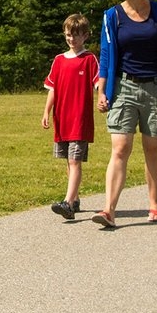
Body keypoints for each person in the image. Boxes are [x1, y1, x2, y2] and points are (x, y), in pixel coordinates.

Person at [91, 0, 157, 230]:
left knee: (152, 148)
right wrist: (102, 90)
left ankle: (153, 205)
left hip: (155, 87)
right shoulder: (112, 16)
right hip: (124, 88)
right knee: (120, 148)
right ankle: (109, 210)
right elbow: (106, 56)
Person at [42, 13, 100, 221]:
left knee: (75, 161)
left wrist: (103, 97)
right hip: (62, 120)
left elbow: (98, 83)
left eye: (76, 35)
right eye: (68, 35)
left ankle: (67, 203)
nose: (71, 39)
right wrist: (47, 112)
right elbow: (53, 89)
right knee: (69, 161)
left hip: (79, 120)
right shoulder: (58, 61)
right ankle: (74, 199)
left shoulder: (89, 59)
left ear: (85, 36)